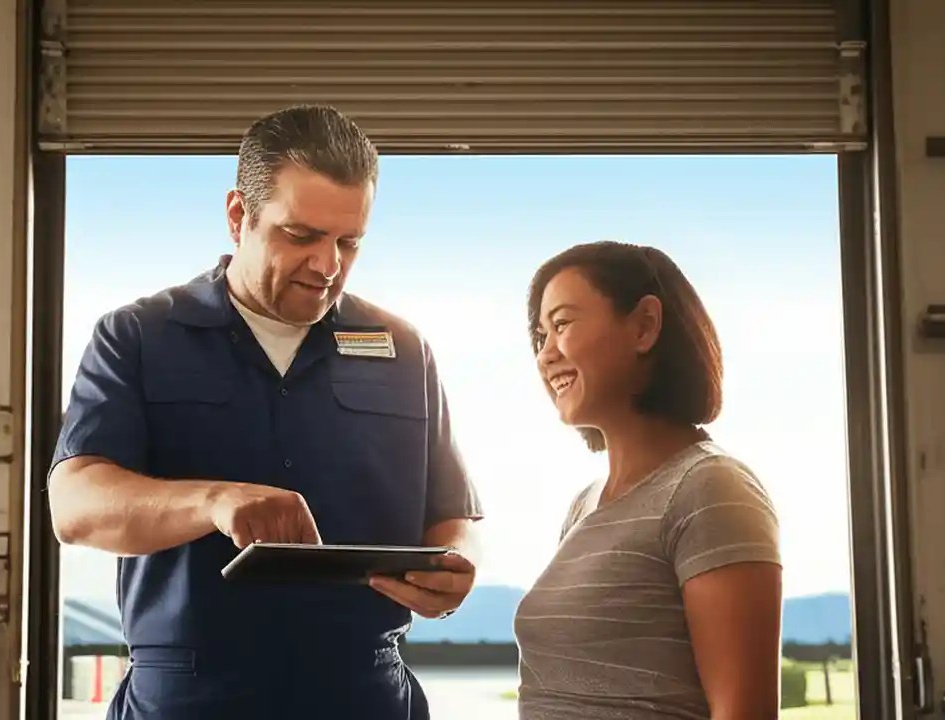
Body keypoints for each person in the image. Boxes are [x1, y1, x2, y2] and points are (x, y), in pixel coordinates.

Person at [48, 105, 483, 720]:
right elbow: (75, 507)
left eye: (348, 242)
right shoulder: (139, 336)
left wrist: (455, 567)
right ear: (238, 216)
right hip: (191, 694)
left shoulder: (403, 349)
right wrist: (213, 502)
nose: (327, 265)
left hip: (363, 690)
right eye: (301, 235)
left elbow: (453, 514)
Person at [514, 241, 783, 719]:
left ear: (644, 325)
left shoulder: (711, 489)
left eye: (562, 325)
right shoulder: (584, 505)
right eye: (540, 336)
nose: (546, 355)